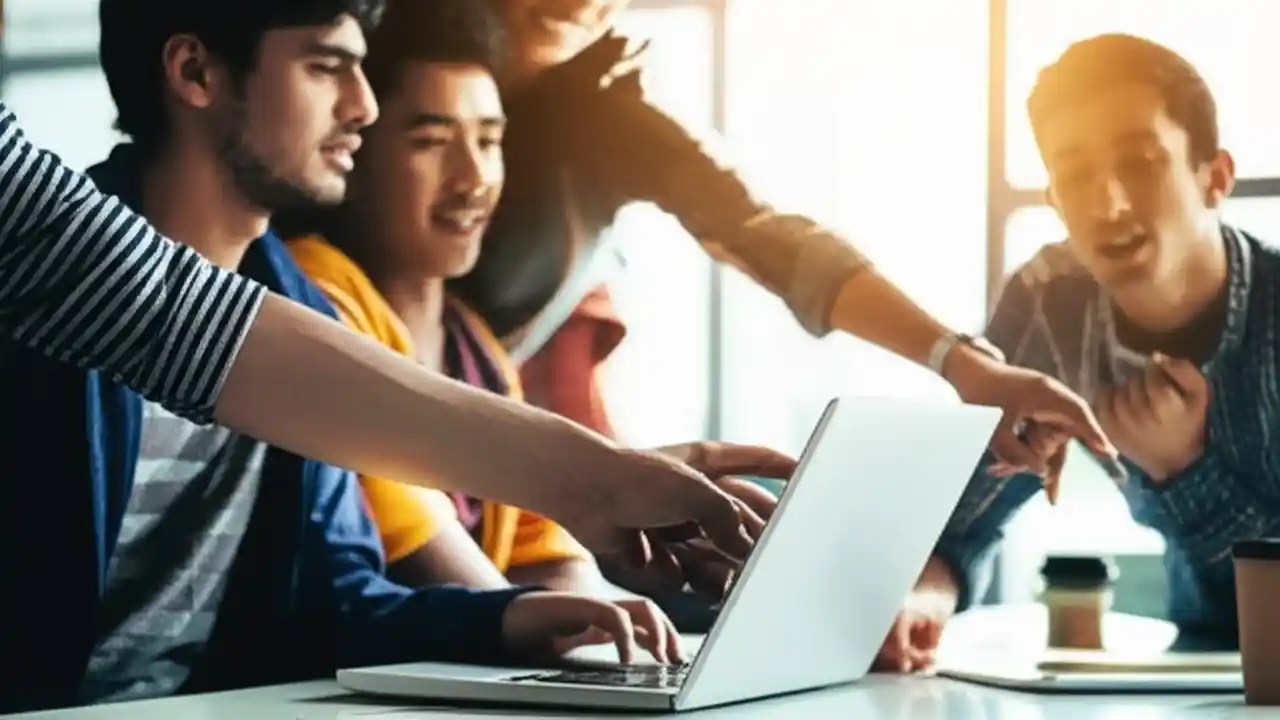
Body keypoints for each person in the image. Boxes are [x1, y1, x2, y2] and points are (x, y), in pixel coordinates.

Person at [0, 2, 687, 711]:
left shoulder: (305, 315)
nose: (362, 108)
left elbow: (334, 602)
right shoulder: (28, 300)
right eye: (326, 68)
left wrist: (503, 619)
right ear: (195, 72)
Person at [446, 0, 1120, 496]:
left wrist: (964, 364)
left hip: (477, 477)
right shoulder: (362, 60)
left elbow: (767, 234)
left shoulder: (608, 111)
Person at [285, 0, 788, 603]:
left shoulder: (478, 353)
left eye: (490, 141)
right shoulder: (314, 292)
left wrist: (624, 636)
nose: (472, 178)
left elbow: (549, 561)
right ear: (357, 154)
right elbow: (455, 574)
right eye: (430, 141)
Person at [879, 33, 1280, 671]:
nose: (1107, 203)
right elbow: (962, 520)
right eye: (1075, 174)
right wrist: (919, 599)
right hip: (1192, 681)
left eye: (1142, 162)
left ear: (1216, 178)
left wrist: (1184, 471)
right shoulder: (1047, 304)